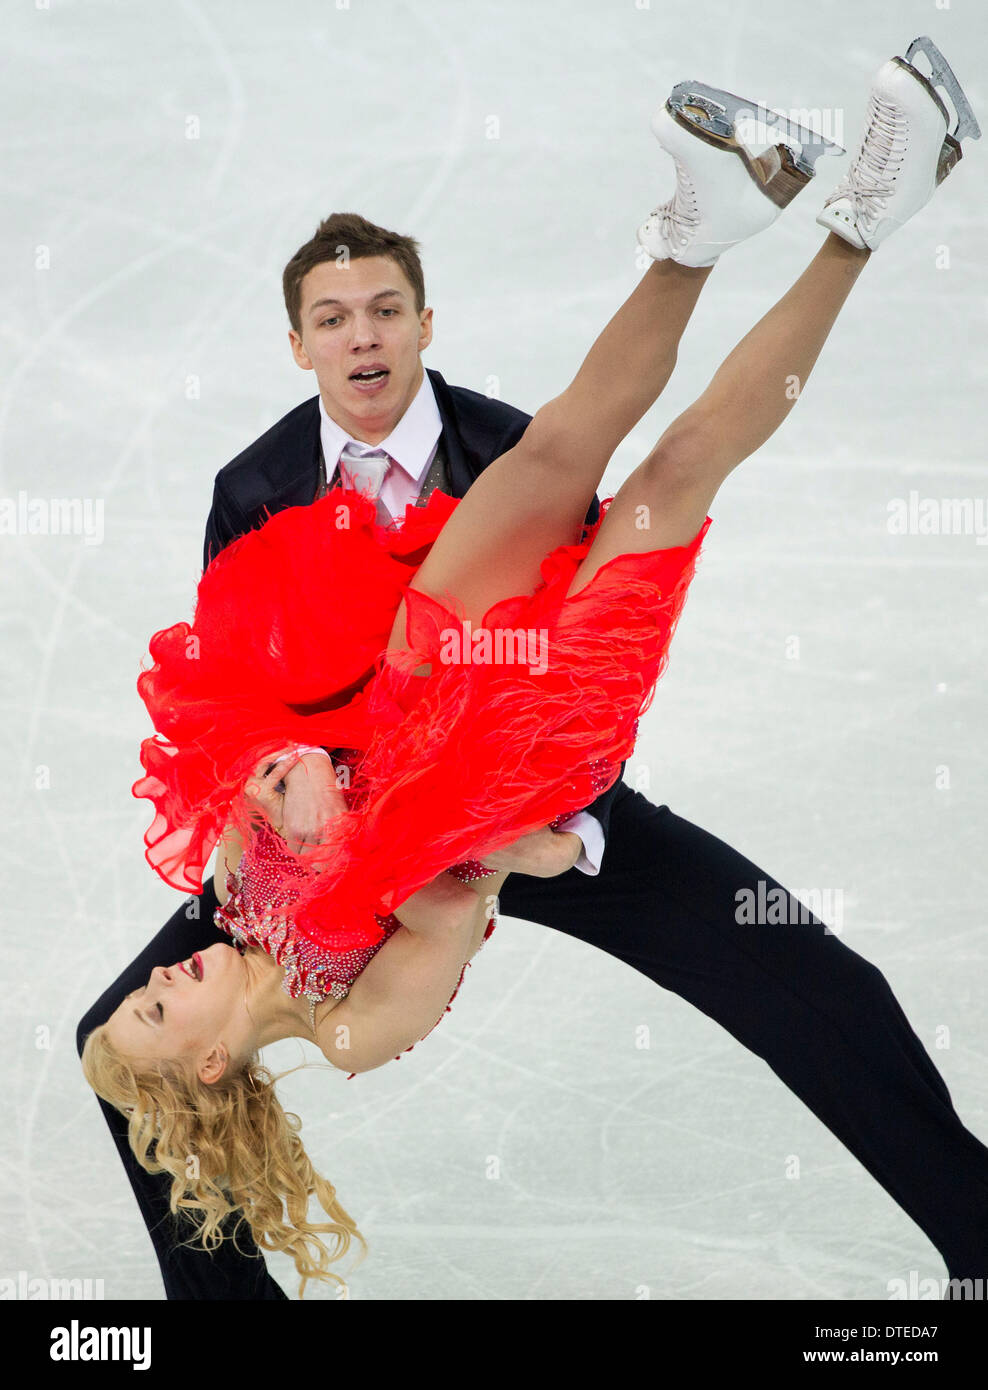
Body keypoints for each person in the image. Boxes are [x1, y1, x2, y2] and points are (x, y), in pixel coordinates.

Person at [78, 41, 988, 1300]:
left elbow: (264, 723)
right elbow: (252, 682)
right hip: (498, 798)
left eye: (385, 309)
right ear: (298, 343)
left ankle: (712, 220)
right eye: (333, 318)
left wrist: (280, 786)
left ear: (423, 322)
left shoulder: (505, 439)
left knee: (805, 976)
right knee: (101, 1047)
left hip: (430, 711)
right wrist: (336, 784)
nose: (363, 339)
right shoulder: (252, 488)